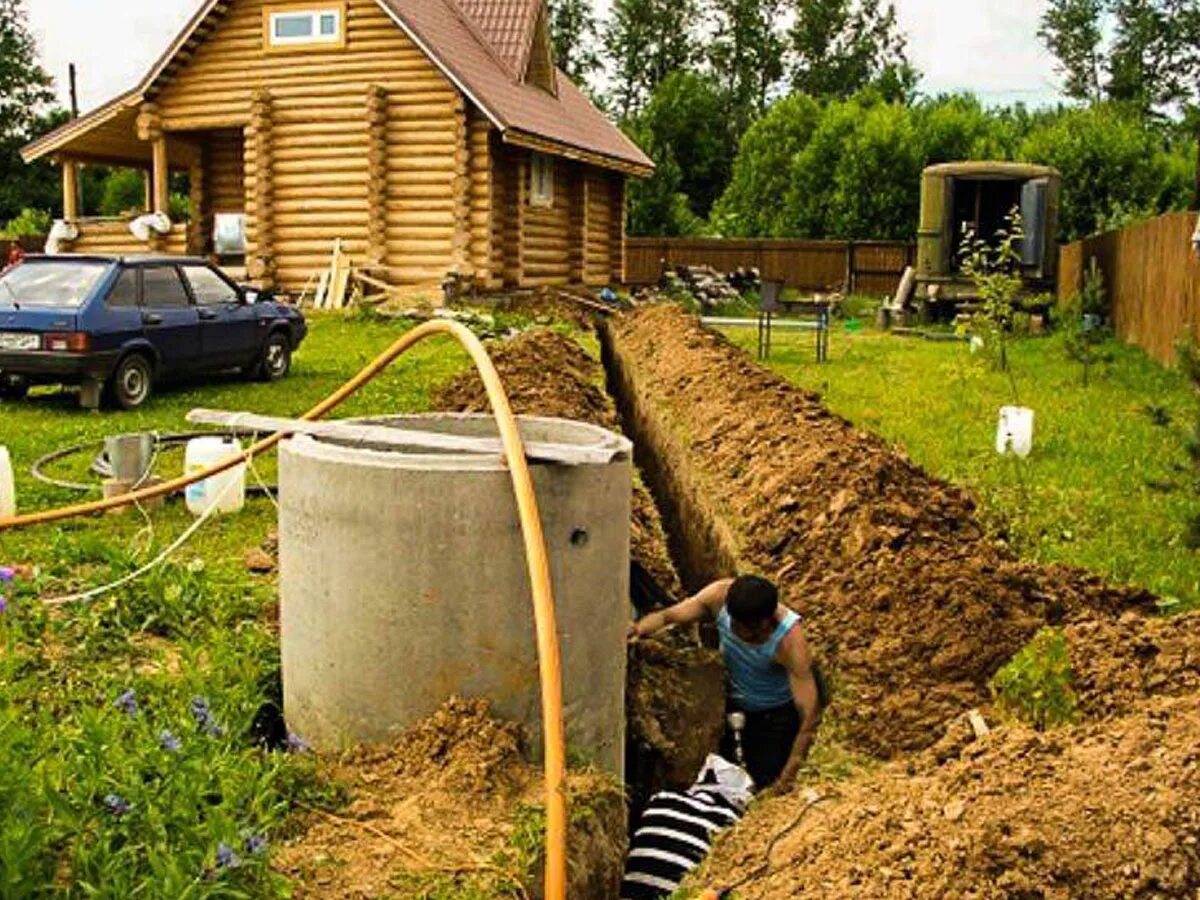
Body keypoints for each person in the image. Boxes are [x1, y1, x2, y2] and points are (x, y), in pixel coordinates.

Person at [629, 575, 822, 790]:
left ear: (764, 623)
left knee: (760, 782)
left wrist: (789, 773)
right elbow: (669, 616)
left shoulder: (789, 643)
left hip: (774, 718)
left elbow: (810, 715)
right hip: (731, 706)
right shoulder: (719, 596)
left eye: (747, 630)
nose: (738, 633)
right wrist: (638, 629)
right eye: (734, 625)